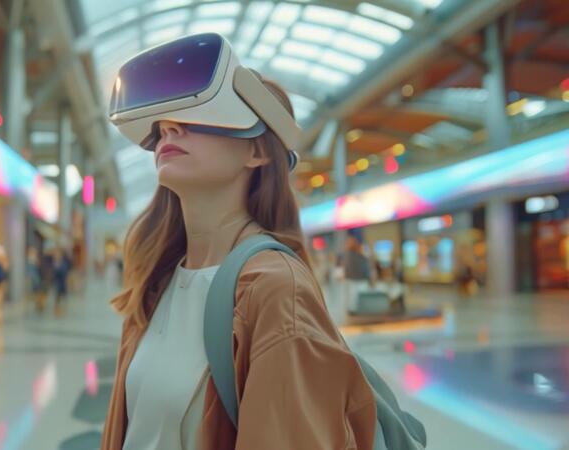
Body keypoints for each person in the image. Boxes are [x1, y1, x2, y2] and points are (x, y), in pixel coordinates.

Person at [101, 34, 375, 449]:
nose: (168, 127)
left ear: (257, 153)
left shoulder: (277, 290)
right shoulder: (155, 282)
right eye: (163, 121)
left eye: (198, 112)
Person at [52, 249, 72, 317]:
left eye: (57, 254)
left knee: (61, 299)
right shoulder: (53, 263)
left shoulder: (63, 264)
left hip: (62, 285)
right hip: (56, 285)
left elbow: (65, 274)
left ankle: (61, 312)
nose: (56, 256)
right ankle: (57, 312)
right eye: (55, 254)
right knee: (57, 299)